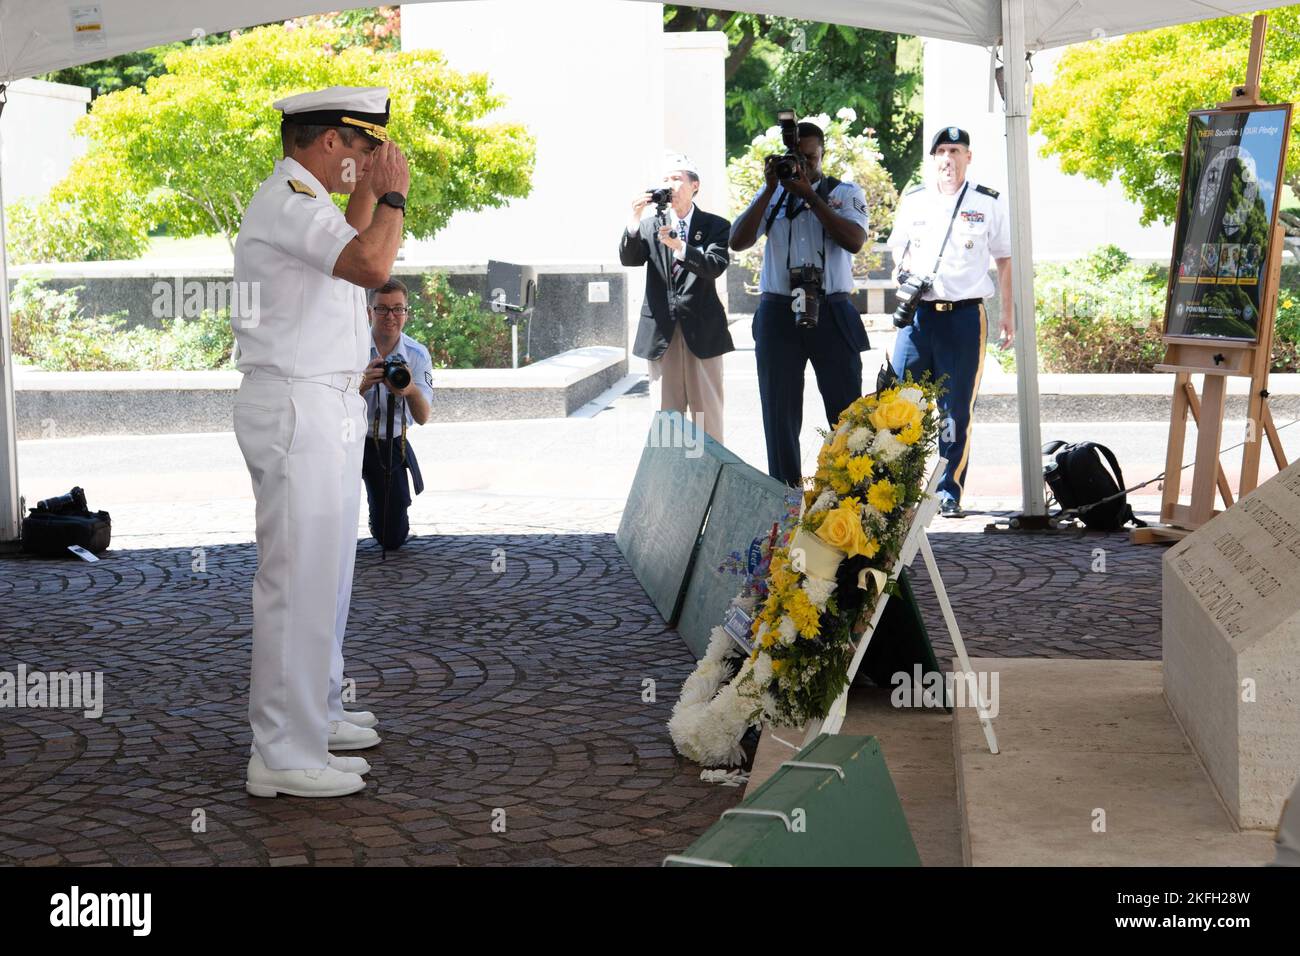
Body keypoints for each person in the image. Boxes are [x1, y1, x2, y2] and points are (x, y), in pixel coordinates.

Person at [232, 86, 409, 798]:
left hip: (325, 402)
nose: (367, 162)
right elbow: (372, 265)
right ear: (328, 141)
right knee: (295, 582)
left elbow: (350, 243)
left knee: (327, 577)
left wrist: (369, 196)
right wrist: (390, 197)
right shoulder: (287, 203)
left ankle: (314, 715)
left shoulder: (306, 205)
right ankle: (279, 750)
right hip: (298, 405)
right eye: (362, 148)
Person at [729, 121, 871, 486]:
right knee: (779, 414)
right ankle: (785, 499)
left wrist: (811, 196)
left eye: (810, 158)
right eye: (797, 159)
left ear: (822, 155)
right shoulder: (773, 196)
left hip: (832, 310)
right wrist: (769, 189)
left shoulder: (844, 192)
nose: (804, 166)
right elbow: (738, 240)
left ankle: (846, 499)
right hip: (779, 312)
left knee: (847, 415)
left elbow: (854, 240)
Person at [888, 126, 1012, 517]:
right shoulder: (915, 202)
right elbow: (898, 254)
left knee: (955, 410)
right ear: (934, 159)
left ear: (968, 157)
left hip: (963, 318)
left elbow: (1004, 261)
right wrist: (905, 275)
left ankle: (948, 490)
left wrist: (1007, 313)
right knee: (901, 403)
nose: (947, 159)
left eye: (955, 151)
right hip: (919, 317)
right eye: (941, 151)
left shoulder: (987, 202)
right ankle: (898, 489)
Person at [620, 155, 733, 443]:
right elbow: (630, 259)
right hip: (661, 332)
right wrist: (633, 221)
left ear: (694, 185)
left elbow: (714, 266)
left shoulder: (715, 225)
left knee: (705, 412)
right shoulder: (650, 226)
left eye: (676, 178)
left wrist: (680, 246)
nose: (670, 185)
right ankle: (672, 480)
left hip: (703, 331)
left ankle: (706, 475)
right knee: (666, 416)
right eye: (666, 180)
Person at [359, 278, 433, 551]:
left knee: (392, 537)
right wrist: (361, 384)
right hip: (347, 441)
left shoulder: (416, 354)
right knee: (326, 509)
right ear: (369, 312)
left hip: (389, 441)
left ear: (406, 313)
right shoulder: (349, 349)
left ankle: (379, 518)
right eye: (382, 309)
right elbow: (326, 406)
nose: (390, 316)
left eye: (397, 309)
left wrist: (410, 389)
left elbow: (423, 416)